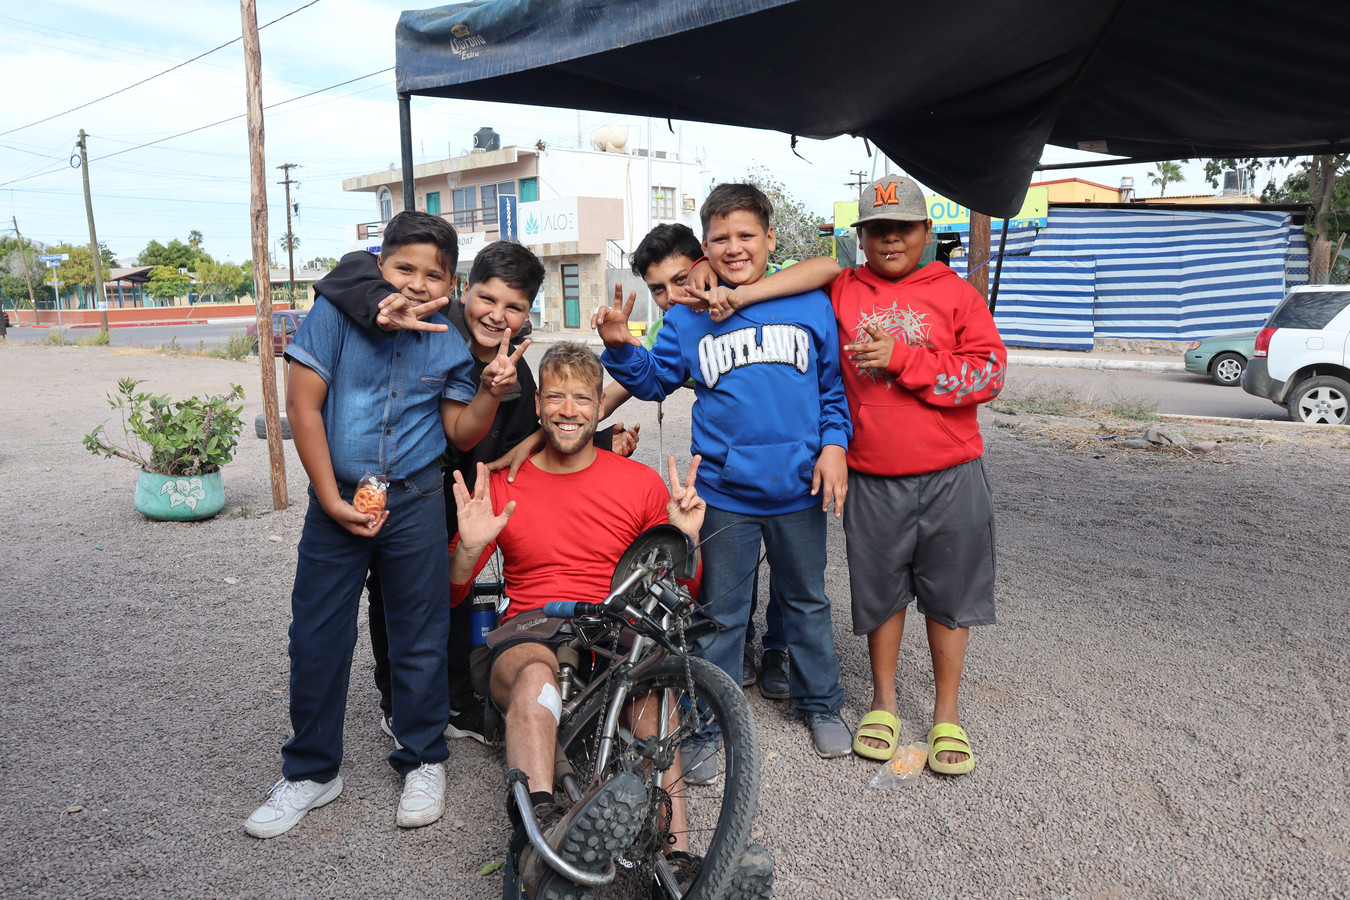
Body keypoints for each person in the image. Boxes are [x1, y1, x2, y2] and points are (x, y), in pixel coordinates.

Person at [695, 175, 1005, 774]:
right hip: (873, 475)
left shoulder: (957, 293)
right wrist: (721, 286)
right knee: (881, 592)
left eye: (903, 228)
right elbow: (804, 272)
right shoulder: (843, 288)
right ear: (859, 238)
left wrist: (904, 359)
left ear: (927, 232)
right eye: (876, 229)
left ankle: (947, 716)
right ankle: (883, 705)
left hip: (952, 472)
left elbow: (988, 376)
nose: (890, 239)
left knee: (948, 599)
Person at [449, 342, 771, 898]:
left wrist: (685, 540)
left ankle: (681, 856)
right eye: (554, 396)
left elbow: (680, 592)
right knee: (536, 682)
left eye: (581, 397)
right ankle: (542, 834)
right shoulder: (503, 483)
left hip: (618, 624)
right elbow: (449, 595)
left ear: (602, 406)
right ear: (538, 407)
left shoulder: (640, 483)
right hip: (534, 624)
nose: (567, 409)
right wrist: (467, 548)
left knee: (655, 701)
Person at [244, 211, 525, 839]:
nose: (420, 283)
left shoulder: (450, 342)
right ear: (381, 267)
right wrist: (327, 496)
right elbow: (303, 406)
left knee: (418, 633)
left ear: (452, 284)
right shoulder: (337, 316)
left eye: (434, 275)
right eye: (405, 268)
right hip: (339, 497)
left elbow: (461, 432)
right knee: (317, 634)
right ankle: (313, 770)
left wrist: (490, 390)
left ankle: (423, 757)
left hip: (417, 498)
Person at [594, 183, 855, 770]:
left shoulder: (809, 299)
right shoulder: (689, 318)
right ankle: (706, 724)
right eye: (720, 239)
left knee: (807, 599)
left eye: (746, 236)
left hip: (798, 489)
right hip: (726, 493)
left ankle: (822, 703)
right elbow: (656, 380)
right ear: (705, 249)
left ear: (770, 238)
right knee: (722, 609)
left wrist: (834, 446)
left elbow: (832, 389)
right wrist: (619, 347)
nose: (734, 248)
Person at [315, 240, 555, 746]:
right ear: (462, 289)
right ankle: (395, 701)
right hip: (398, 486)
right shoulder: (424, 320)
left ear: (529, 313)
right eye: (487, 299)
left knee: (441, 597)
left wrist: (537, 436)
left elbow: (531, 427)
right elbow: (351, 270)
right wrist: (379, 305)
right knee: (386, 596)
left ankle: (446, 698)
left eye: (514, 307)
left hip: (457, 502)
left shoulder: (516, 366)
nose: (497, 315)